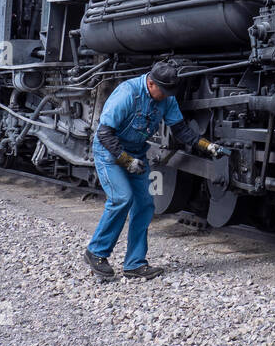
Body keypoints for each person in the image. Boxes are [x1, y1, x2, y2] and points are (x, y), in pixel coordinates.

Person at [83, 59, 223, 279]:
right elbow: (104, 133)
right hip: (110, 152)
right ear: (151, 84)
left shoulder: (166, 98)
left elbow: (181, 131)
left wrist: (207, 146)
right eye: (164, 91)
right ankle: (96, 252)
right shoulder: (127, 94)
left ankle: (134, 264)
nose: (167, 96)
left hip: (136, 153)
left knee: (145, 205)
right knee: (121, 198)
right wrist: (126, 160)